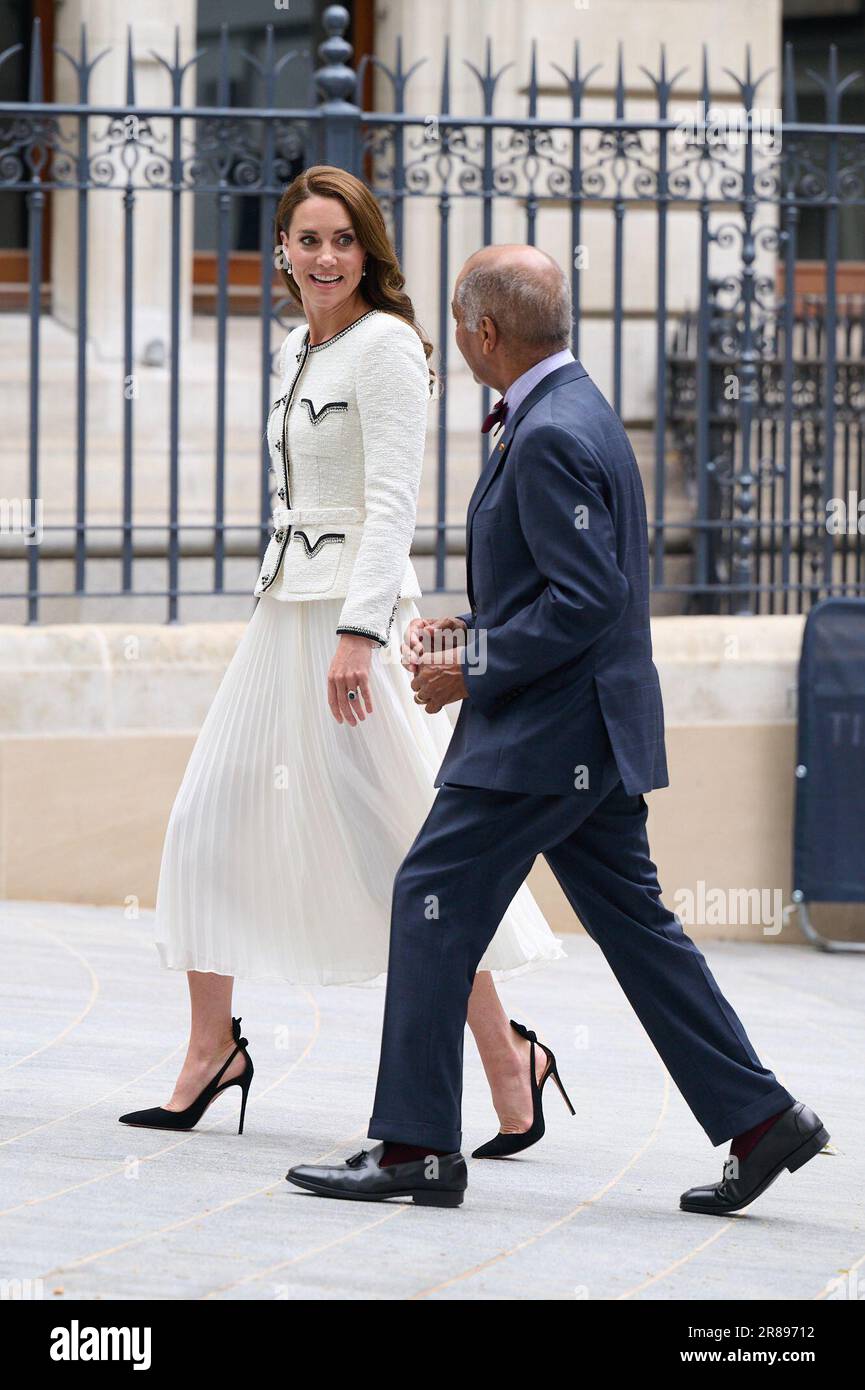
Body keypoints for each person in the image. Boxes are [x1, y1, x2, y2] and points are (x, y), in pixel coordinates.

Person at [285, 244, 829, 1214]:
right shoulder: (572, 411)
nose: (455, 345)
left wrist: (474, 663)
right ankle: (760, 1119)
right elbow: (570, 587)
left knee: (427, 896)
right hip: (585, 734)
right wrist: (476, 626)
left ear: (485, 331)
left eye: (458, 329)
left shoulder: (547, 433)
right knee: (637, 928)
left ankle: (414, 1144)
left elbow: (585, 601)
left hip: (548, 739)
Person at [118, 173, 570, 1149]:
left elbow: (389, 506)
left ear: (367, 253)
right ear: (279, 248)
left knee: (414, 846)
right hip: (283, 615)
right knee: (209, 816)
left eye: (342, 241)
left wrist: (360, 636)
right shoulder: (293, 345)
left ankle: (508, 1059)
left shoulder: (390, 350)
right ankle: (212, 1051)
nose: (324, 258)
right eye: (306, 239)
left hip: (351, 627)